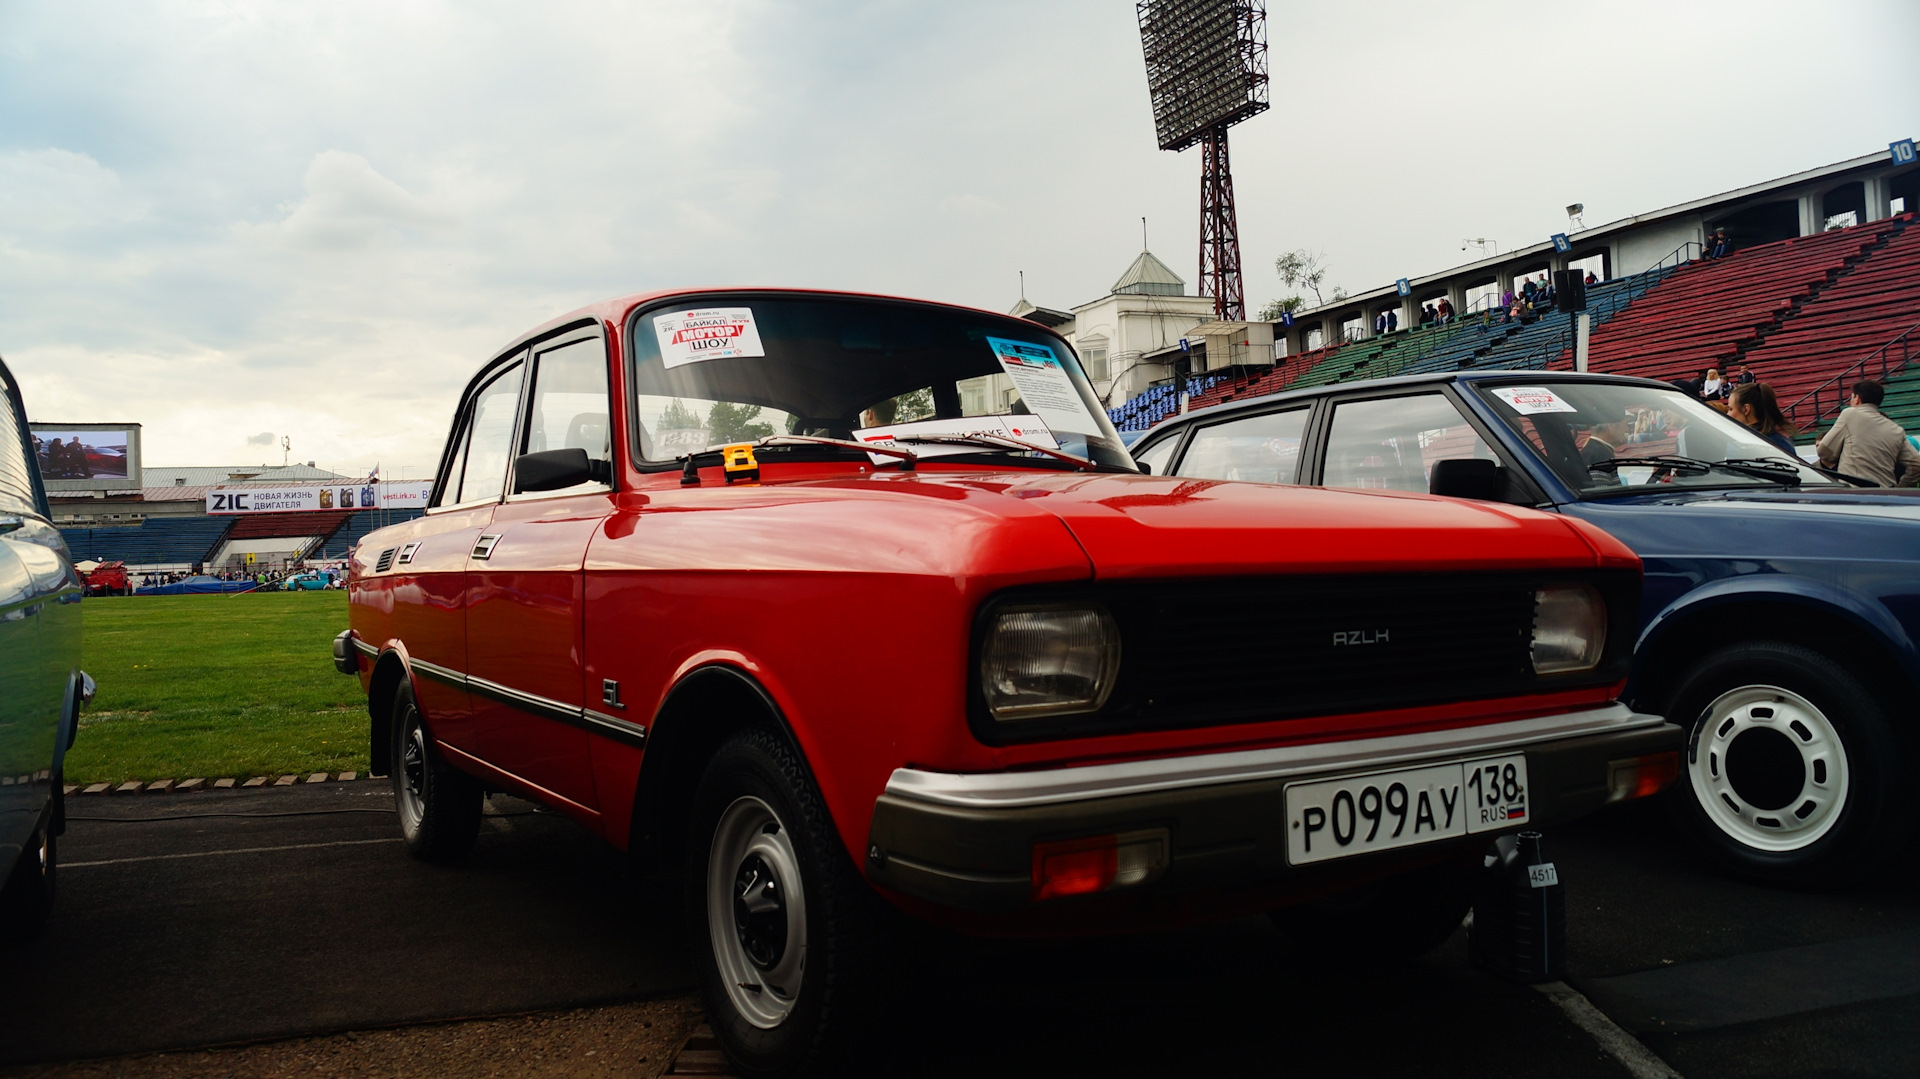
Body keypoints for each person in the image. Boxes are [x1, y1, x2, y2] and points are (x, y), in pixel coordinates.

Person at [1816, 380, 1920, 487]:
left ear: (1857, 399)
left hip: (1856, 493)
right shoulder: (1896, 429)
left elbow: (1824, 452)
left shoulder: (1850, 414)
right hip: (1886, 494)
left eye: (1851, 398)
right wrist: (1901, 488)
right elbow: (1917, 464)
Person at [1727, 382, 1799, 457]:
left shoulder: (1739, 446)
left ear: (1746, 409)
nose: (1728, 414)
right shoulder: (1785, 443)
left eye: (1730, 409)